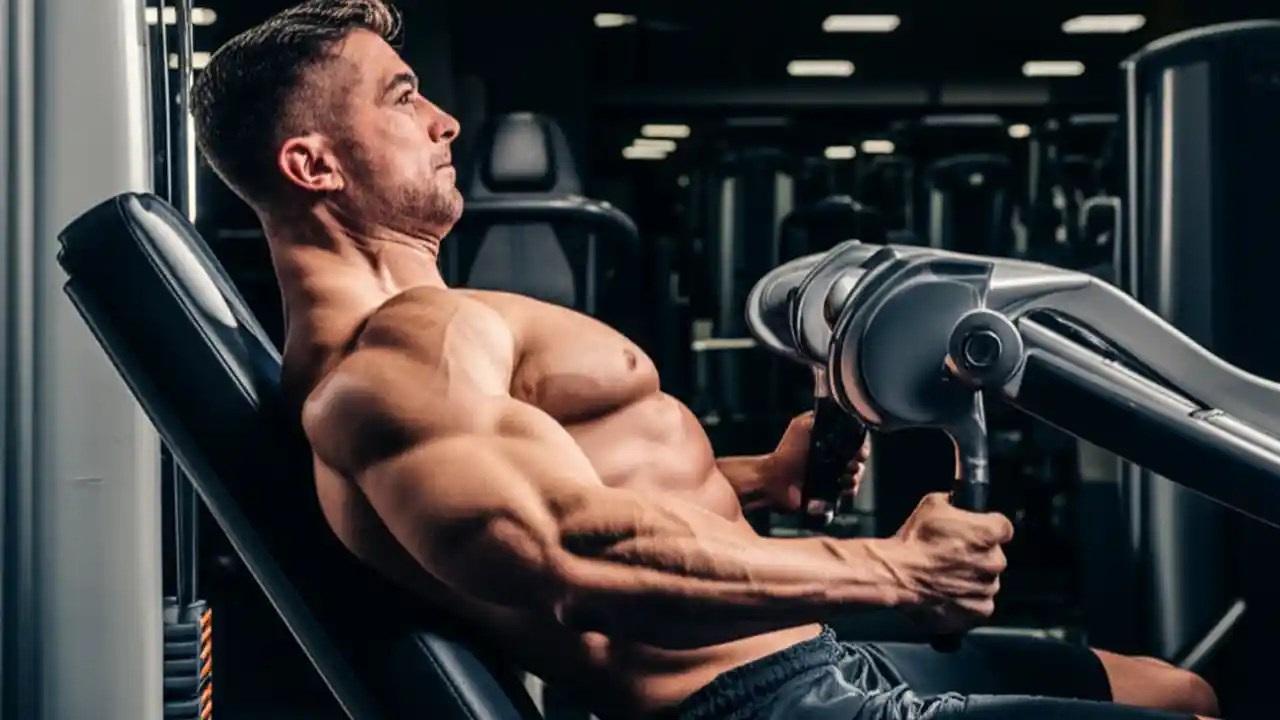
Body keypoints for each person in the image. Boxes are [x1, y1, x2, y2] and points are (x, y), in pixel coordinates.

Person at [190, 2, 1221, 719]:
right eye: (402, 97)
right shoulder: (393, 361)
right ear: (313, 164)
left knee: (1175, 692)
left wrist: (755, 481)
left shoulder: (403, 354)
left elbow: (525, 488)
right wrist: (888, 568)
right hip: (757, 702)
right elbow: (570, 556)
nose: (444, 119)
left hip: (796, 661)